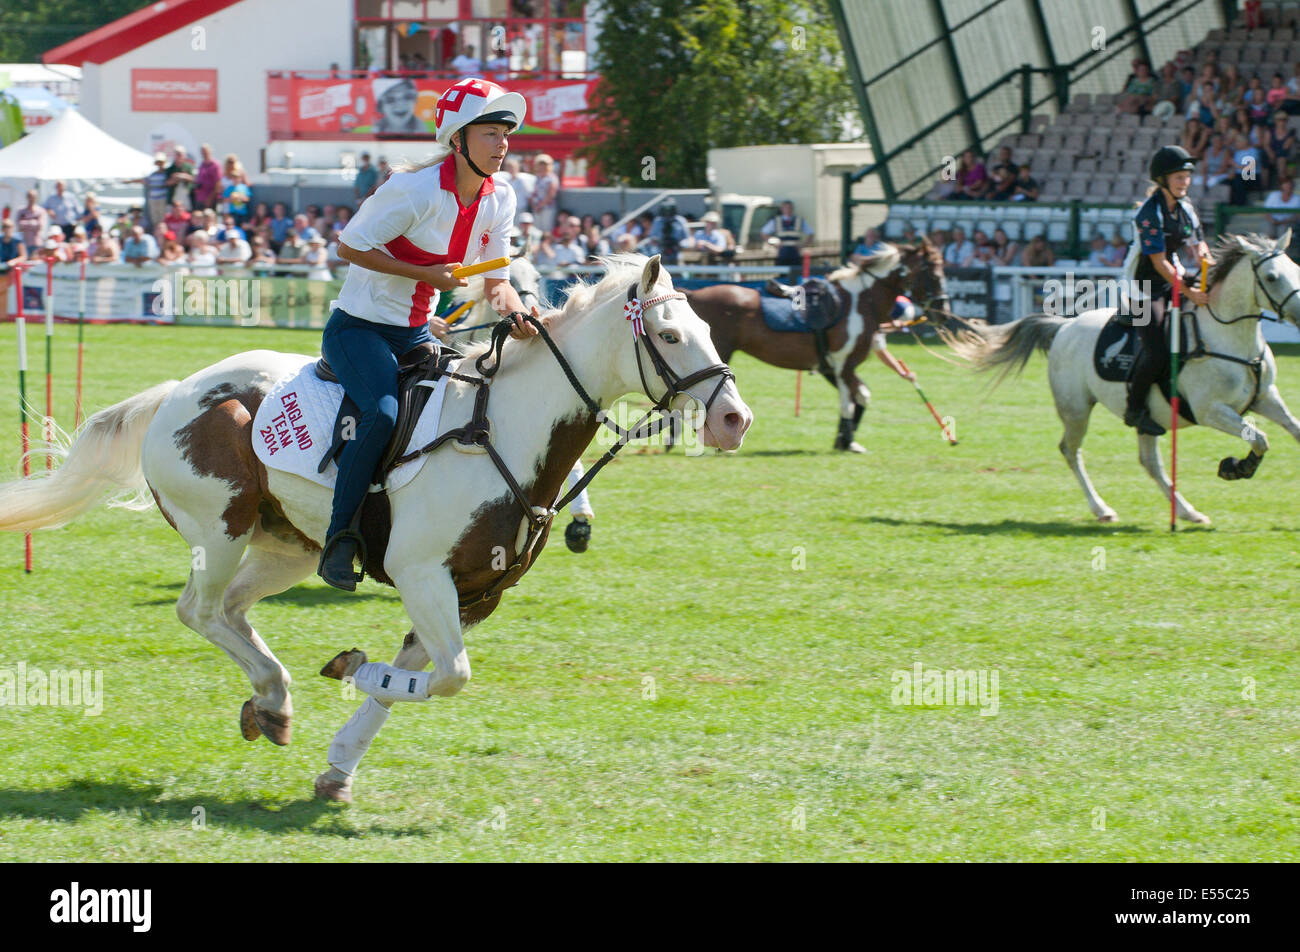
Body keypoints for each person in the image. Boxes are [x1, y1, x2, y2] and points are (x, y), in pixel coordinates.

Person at [317, 76, 538, 590]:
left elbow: (495, 282)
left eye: (507, 134)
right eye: (491, 133)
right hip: (358, 330)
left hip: (415, 333)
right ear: (458, 139)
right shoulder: (411, 189)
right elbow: (347, 247)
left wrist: (518, 311)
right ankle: (339, 538)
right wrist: (427, 276)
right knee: (382, 412)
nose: (503, 144)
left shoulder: (499, 198)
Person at [1121, 144, 1211, 436]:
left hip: (1171, 276)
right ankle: (1134, 409)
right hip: (1141, 288)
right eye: (1178, 177)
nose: (1184, 182)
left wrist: (1205, 259)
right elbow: (1158, 263)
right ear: (1163, 180)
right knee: (1158, 351)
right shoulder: (1149, 214)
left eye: (1187, 176)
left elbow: (1199, 245)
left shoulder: (1186, 208)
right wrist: (1188, 292)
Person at [761, 199, 813, 271]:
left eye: (790, 208)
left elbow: (810, 233)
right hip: (782, 252)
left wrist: (803, 245)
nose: (788, 210)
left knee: (795, 273)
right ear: (782, 209)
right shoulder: (776, 220)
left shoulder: (799, 220)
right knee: (783, 274)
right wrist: (773, 243)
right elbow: (764, 233)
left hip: (795, 252)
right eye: (786, 208)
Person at [0, 218, 27, 325]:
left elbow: (23, 256)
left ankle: (4, 316)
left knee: (5, 295)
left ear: (12, 228)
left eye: (8, 227)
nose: (6, 229)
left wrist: (13, 262)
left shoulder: (17, 240)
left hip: (11, 271)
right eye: (4, 227)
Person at [649, 199, 693, 265]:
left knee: (679, 261)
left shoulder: (680, 221)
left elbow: (687, 238)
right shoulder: (657, 221)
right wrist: (659, 241)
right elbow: (652, 238)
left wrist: (680, 244)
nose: (667, 212)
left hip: (676, 251)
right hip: (660, 251)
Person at [530, 153, 559, 236]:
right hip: (536, 208)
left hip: (547, 208)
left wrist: (540, 205)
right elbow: (534, 192)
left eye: (545, 164)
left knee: (546, 230)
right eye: (541, 164)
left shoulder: (552, 177)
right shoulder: (537, 177)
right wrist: (534, 205)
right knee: (536, 230)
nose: (542, 166)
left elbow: (551, 194)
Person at [193, 145, 222, 211]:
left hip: (210, 199)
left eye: (206, 152)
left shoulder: (215, 165)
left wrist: (210, 199)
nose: (204, 154)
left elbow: (218, 184)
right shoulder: (202, 164)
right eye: (202, 152)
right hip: (200, 198)